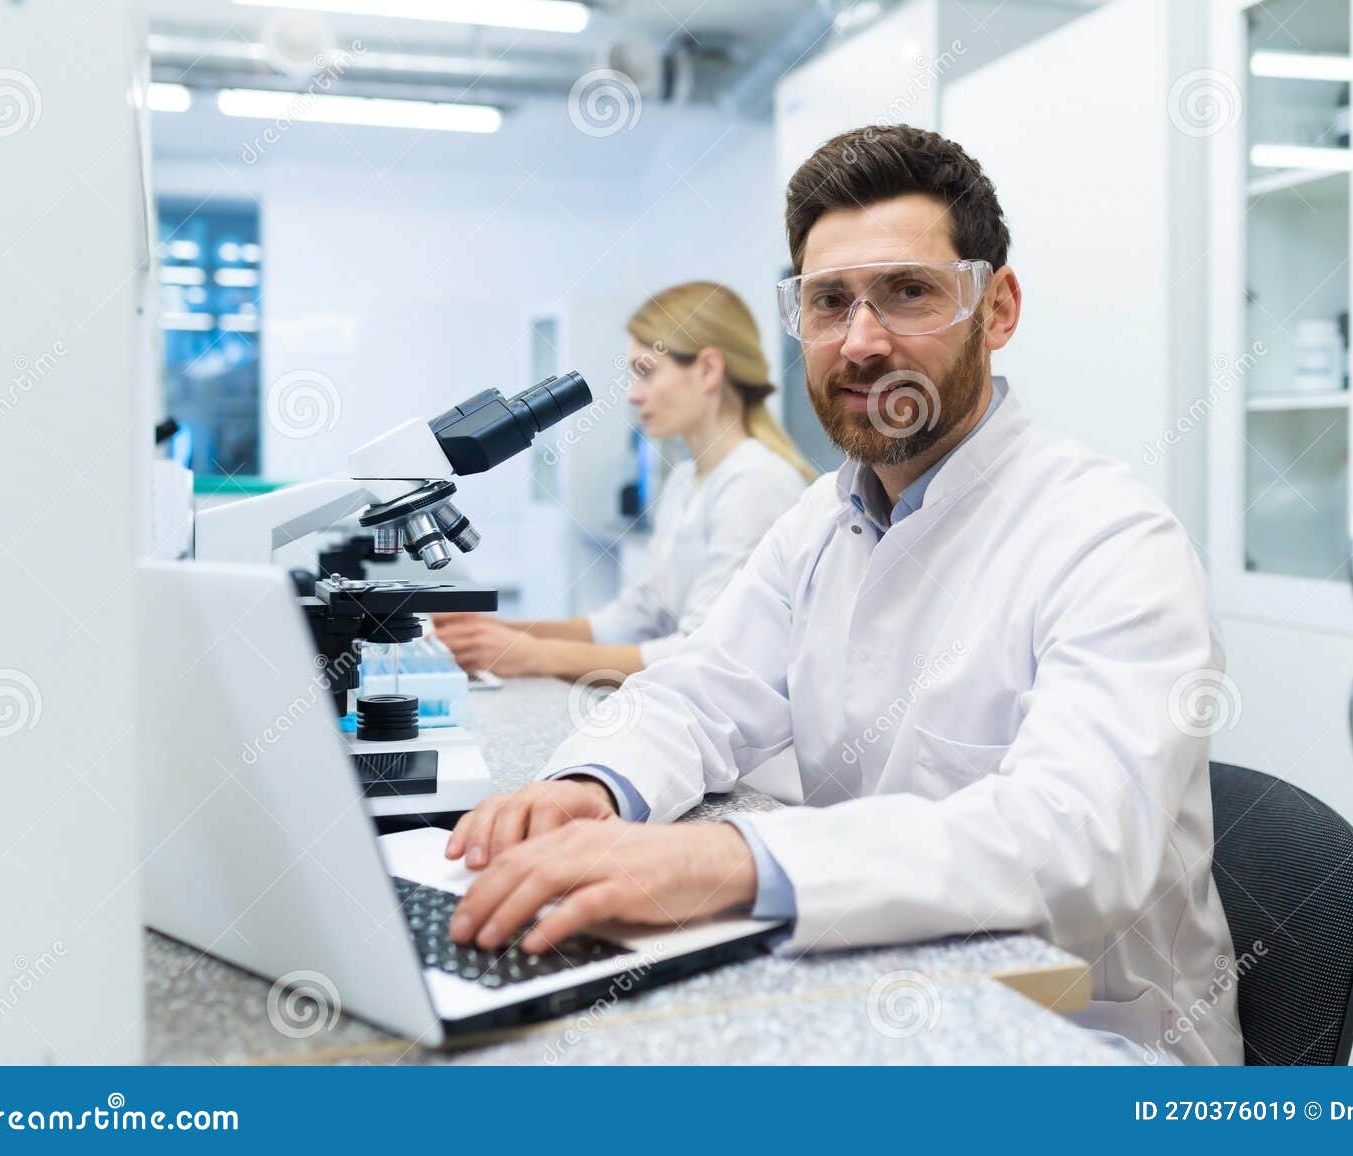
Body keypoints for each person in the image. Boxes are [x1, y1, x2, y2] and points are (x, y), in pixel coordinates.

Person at [439, 125, 1241, 1065]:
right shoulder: (824, 520)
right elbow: (698, 689)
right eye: (828, 303)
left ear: (998, 308)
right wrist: (591, 785)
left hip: (1079, 1037)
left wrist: (728, 860)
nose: (861, 342)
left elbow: (1082, 843)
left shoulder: (1110, 538)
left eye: (907, 292)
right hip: (880, 985)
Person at [432, 282, 813, 682]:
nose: (632, 395)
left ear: (708, 370)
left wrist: (537, 656)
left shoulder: (756, 482)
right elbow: (638, 615)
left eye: (646, 373)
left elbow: (703, 652)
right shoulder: (687, 479)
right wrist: (500, 636)